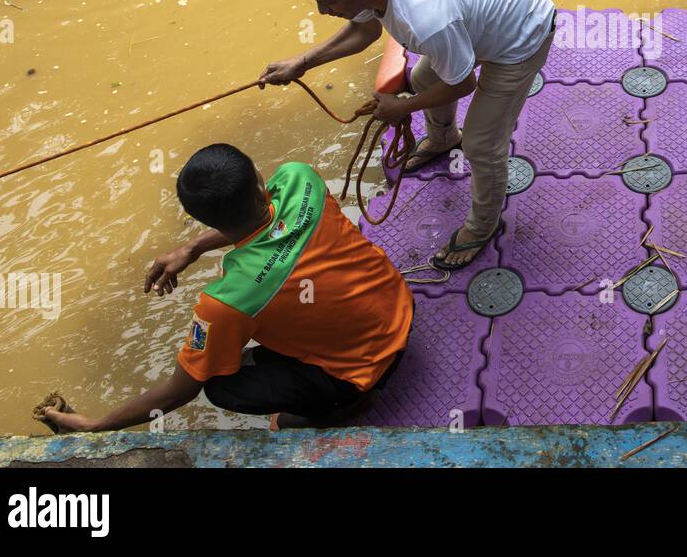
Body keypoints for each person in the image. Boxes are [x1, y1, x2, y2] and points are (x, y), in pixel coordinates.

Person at [40, 144, 414, 433]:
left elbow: (179, 391)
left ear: (199, 217)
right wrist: (193, 248)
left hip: (364, 370)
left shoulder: (227, 303)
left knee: (219, 385)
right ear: (260, 184)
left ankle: (345, 406)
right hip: (400, 309)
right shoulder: (302, 180)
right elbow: (261, 219)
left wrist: (95, 425)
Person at [259, 0, 555, 271]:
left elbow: (463, 84)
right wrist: (304, 62)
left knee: (482, 143)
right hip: (477, 21)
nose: (323, 11)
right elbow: (365, 28)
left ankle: (482, 226)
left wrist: (402, 106)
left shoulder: (426, 15)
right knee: (423, 76)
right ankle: (444, 138)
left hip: (519, 35)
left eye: (329, 1)